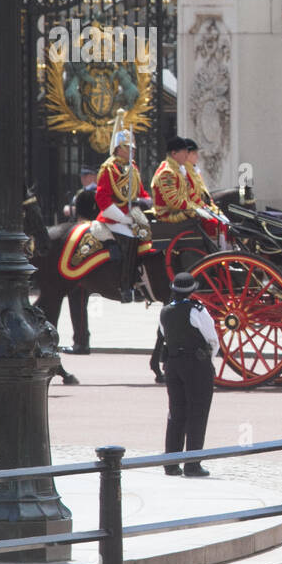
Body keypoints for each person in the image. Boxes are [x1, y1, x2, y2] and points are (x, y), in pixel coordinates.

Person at [156, 272, 219, 477]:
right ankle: (192, 464)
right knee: (197, 413)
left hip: (173, 364)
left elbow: (165, 336)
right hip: (195, 364)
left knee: (176, 413)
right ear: (192, 291)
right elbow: (212, 339)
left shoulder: (164, 311)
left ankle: (171, 462)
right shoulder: (198, 311)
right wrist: (208, 361)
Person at [95, 109, 151, 303]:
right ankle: (126, 285)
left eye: (133, 148)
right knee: (131, 238)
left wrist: (149, 206)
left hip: (133, 213)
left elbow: (141, 193)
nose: (132, 151)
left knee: (152, 235)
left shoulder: (132, 168)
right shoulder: (109, 168)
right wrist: (122, 218)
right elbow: (102, 199)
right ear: (119, 148)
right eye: (129, 147)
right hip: (114, 217)